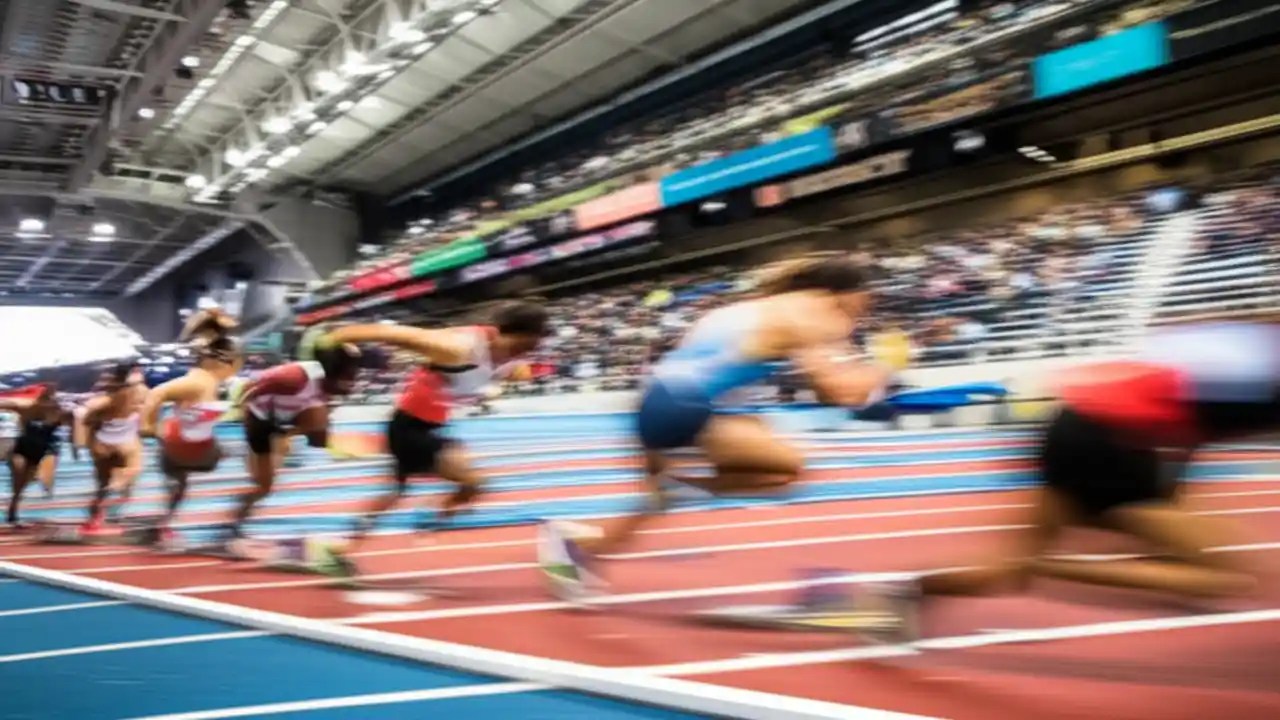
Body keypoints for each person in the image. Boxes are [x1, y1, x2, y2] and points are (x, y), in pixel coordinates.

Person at [861, 320, 1277, 644]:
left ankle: (905, 589)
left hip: (1076, 423)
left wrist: (1165, 514)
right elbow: (1188, 441)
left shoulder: (1252, 347)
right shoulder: (1263, 379)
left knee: (1004, 572)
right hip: (1112, 441)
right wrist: (1163, 515)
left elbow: (1184, 428)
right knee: (1221, 577)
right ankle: (1044, 566)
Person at [540, 254, 896, 595]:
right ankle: (680, 486)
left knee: (654, 505)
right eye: (867, 300)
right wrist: (885, 366)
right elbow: (841, 392)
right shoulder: (817, 317)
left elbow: (699, 361)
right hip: (684, 406)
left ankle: (573, 541)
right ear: (848, 294)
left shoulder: (756, 306)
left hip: (657, 398)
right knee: (788, 471)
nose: (866, 309)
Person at [319, 299, 549, 566]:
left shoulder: (513, 361)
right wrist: (331, 339)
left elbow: (517, 371)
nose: (519, 354)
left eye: (529, 349)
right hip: (409, 427)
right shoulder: (459, 346)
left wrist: (513, 376)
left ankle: (341, 547)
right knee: (472, 483)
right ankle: (428, 518)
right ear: (502, 332)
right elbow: (391, 334)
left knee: (393, 493)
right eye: (519, 346)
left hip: (428, 425)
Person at [228, 340, 361, 540]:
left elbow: (320, 420)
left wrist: (290, 434)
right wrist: (240, 412)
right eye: (347, 378)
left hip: (284, 420)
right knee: (264, 487)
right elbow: (249, 387)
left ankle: (283, 439)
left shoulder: (332, 389)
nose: (351, 383)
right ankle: (234, 524)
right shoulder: (295, 377)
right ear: (333, 371)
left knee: (320, 423)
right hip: (260, 419)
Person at [139, 309, 242, 542]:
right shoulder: (200, 380)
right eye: (235, 364)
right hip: (190, 446)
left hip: (178, 443)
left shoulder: (207, 379)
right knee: (234, 453)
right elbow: (156, 393)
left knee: (179, 482)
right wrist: (147, 426)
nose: (237, 369)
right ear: (221, 362)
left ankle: (165, 522)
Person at [78, 362, 146, 530]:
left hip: (103, 441)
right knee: (132, 471)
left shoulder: (107, 393)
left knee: (102, 481)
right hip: (125, 441)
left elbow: (85, 416)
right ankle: (115, 496)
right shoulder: (141, 392)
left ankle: (97, 513)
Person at [2, 384, 77, 526]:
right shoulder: (27, 409)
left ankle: (14, 510)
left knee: (23, 485)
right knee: (19, 473)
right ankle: (12, 512)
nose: (46, 405)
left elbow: (75, 422)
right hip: (20, 450)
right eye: (44, 400)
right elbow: (7, 404)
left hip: (40, 453)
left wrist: (74, 446)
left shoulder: (58, 414)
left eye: (50, 401)